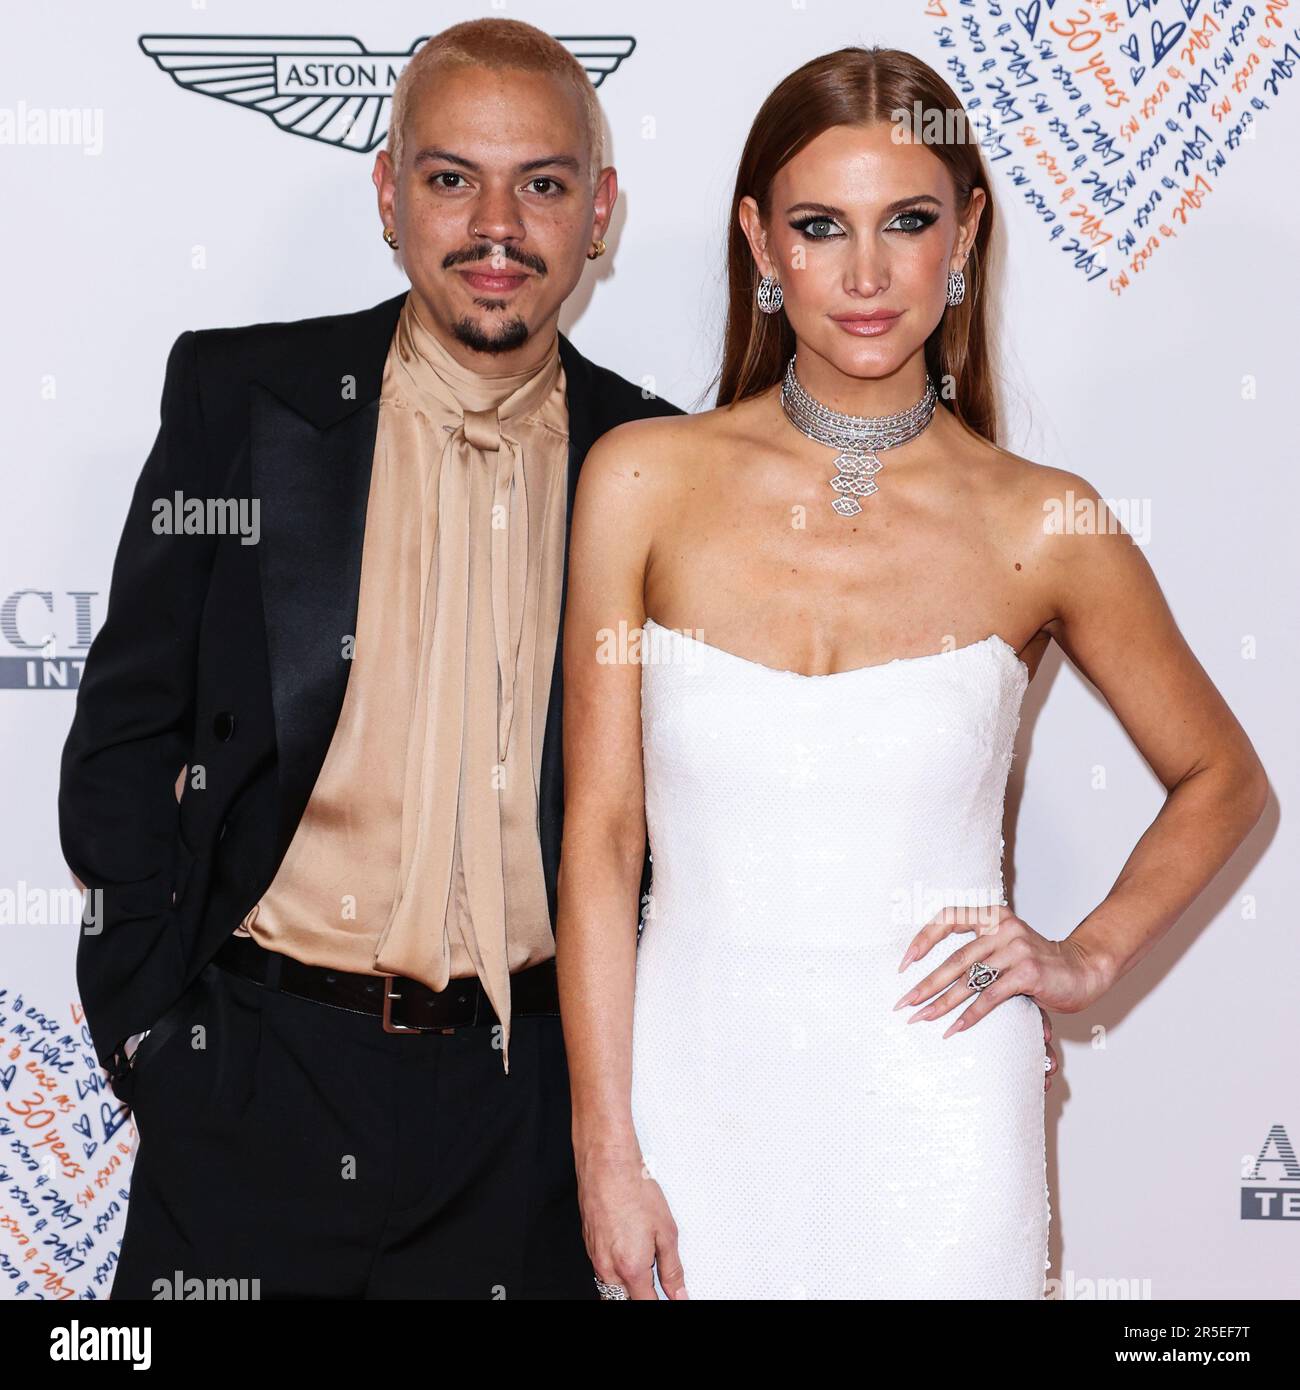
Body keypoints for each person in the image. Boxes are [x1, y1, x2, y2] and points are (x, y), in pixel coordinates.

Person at [557, 46, 1269, 1300]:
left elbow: (1223, 777)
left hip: (940, 1116)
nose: (869, 274)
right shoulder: (637, 480)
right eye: (821, 227)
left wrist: (1086, 957)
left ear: (968, 231)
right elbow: (604, 836)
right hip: (690, 1101)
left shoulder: (1046, 522)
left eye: (910, 222)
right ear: (760, 243)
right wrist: (605, 1145)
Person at [57, 17, 681, 1299]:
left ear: (599, 210)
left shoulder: (657, 459)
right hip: (255, 1077)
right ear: (389, 192)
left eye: (543, 184)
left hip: (525, 1116)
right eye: (452, 178)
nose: (495, 225)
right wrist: (153, 1037)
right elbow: (122, 739)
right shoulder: (243, 401)